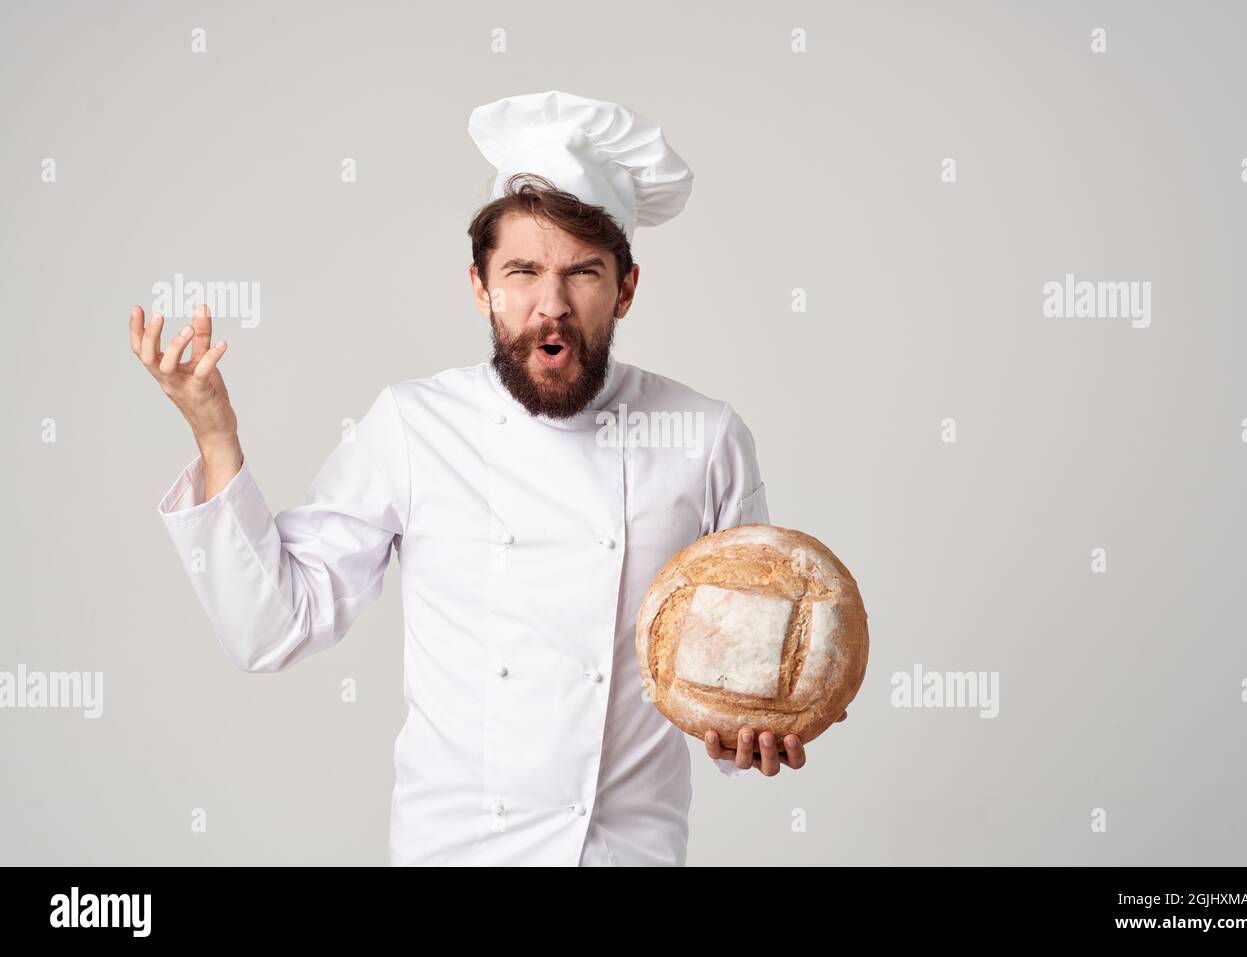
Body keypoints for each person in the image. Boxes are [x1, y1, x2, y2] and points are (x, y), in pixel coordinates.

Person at [128, 91, 846, 866]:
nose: (552, 305)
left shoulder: (706, 438)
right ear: (481, 286)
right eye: (524, 271)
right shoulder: (413, 427)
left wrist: (758, 734)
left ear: (627, 288)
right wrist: (215, 435)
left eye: (583, 272)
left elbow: (741, 682)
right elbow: (270, 627)